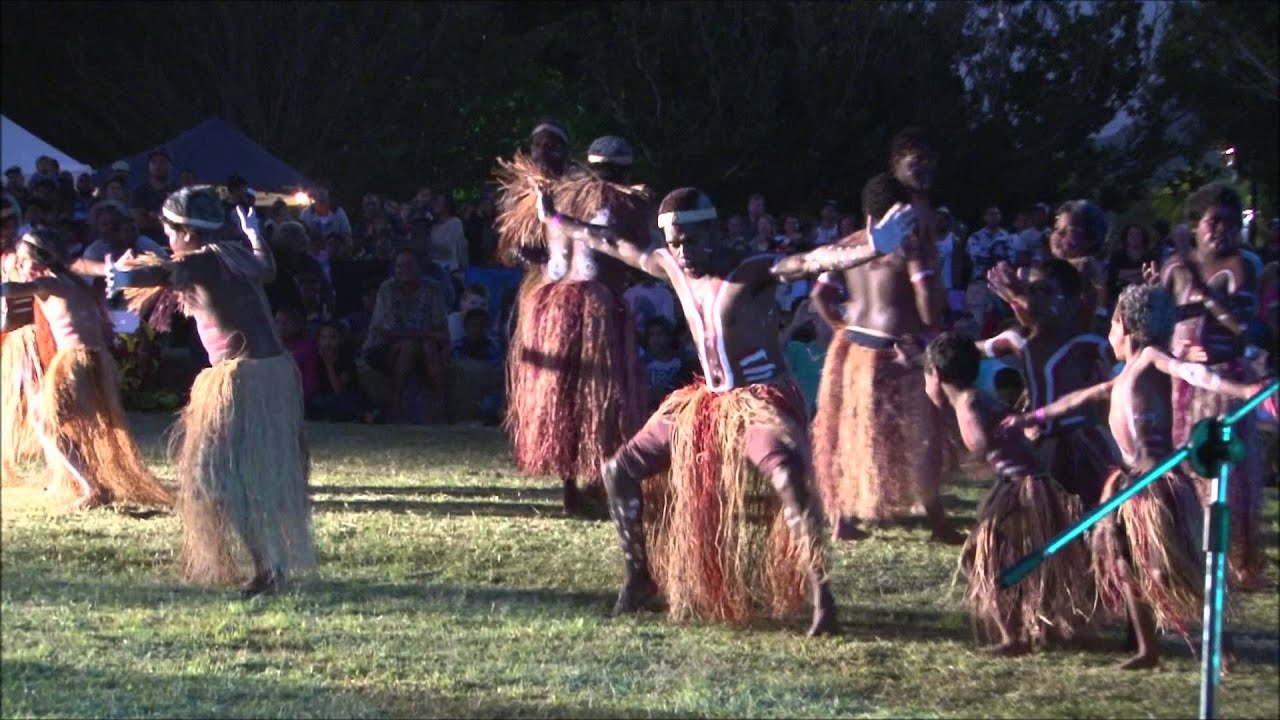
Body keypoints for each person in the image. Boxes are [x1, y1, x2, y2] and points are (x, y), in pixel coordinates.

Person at [537, 186, 913, 634]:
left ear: (712, 232)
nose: (683, 251)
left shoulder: (749, 272)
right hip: (706, 399)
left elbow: (810, 260)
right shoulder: (670, 266)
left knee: (788, 477)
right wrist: (555, 220)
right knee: (619, 471)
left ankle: (822, 598)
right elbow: (615, 244)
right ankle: (639, 578)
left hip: (760, 399)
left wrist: (871, 247)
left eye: (691, 241)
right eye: (675, 242)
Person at [1006, 285, 1269, 669]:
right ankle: (1148, 650)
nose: (1108, 333)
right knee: (1123, 564)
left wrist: (1243, 389)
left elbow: (1192, 373)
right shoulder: (1123, 375)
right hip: (1129, 486)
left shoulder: (1149, 358)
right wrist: (1031, 418)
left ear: (1126, 327)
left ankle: (1221, 646)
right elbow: (1078, 399)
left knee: (1175, 569)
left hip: (1159, 486)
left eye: (1112, 324)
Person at [107, 186, 313, 597]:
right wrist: (254, 234)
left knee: (217, 475)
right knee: (236, 473)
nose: (166, 237)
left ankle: (266, 570)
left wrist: (121, 276)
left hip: (241, 379)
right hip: (273, 374)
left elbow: (160, 274)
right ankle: (264, 566)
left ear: (186, 231)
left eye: (168, 229)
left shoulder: (199, 262)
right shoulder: (236, 255)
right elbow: (267, 266)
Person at [778, 131, 959, 543]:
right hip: (897, 349)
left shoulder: (846, 245)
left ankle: (841, 518)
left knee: (844, 431)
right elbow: (929, 304)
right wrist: (934, 328)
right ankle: (937, 520)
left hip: (851, 346)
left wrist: (841, 328)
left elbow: (819, 296)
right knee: (923, 432)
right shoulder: (909, 248)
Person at [493, 127, 651, 517]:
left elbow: (531, 248)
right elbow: (637, 252)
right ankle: (597, 486)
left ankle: (570, 490)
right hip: (594, 305)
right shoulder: (626, 201)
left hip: (548, 304)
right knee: (601, 397)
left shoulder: (561, 194)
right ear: (626, 171)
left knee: (562, 399)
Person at [923, 333, 1092, 656]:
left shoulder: (970, 405)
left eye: (925, 373)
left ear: (938, 375)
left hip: (1022, 489)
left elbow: (981, 448)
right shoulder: (975, 398)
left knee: (979, 557)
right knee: (1006, 559)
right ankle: (1029, 627)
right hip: (1024, 483)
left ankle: (1014, 637)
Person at [0, 228, 170, 511]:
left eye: (23, 261)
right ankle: (86, 482)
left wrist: (8, 282)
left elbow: (9, 290)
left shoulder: (47, 283)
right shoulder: (72, 280)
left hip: (74, 359)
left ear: (38, 261)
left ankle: (92, 486)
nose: (20, 266)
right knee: (70, 422)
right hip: (97, 358)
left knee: (46, 419)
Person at [1151, 182, 1265, 590]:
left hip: (1226, 384)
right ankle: (1188, 547)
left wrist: (1199, 287)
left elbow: (1242, 327)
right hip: (1180, 382)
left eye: (1231, 224)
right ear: (1195, 225)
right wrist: (1176, 348)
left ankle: (1235, 558)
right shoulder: (1172, 268)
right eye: (1214, 222)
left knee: (1226, 470)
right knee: (1183, 467)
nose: (1223, 231)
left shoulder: (1244, 265)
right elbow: (1157, 325)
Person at [982, 259, 1118, 509]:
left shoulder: (1087, 344)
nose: (1034, 300)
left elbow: (1126, 367)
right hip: (1036, 444)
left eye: (1046, 291)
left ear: (1070, 302)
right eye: (1031, 291)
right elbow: (966, 353)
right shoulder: (1018, 340)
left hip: (1080, 448)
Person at [360, 250, 451, 423]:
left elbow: (441, 328)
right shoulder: (387, 289)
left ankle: (440, 404)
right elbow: (387, 330)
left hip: (425, 346)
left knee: (427, 347)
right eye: (399, 266)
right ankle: (396, 403)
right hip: (383, 347)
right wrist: (424, 334)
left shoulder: (433, 290)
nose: (404, 270)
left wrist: (432, 339)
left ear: (419, 267)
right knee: (411, 346)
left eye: (409, 265)